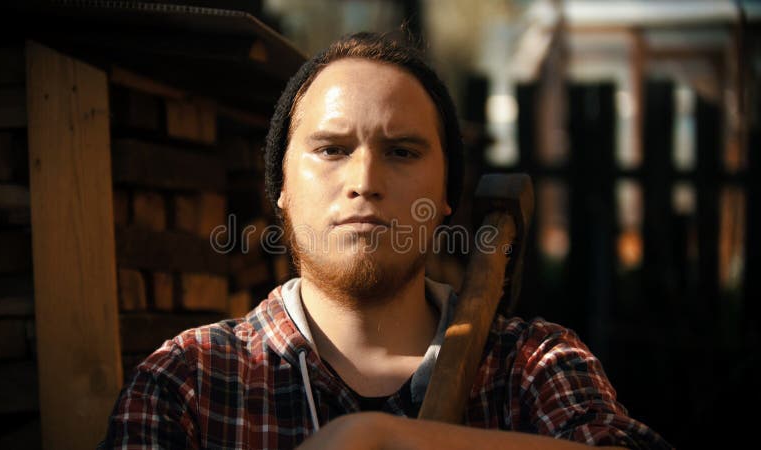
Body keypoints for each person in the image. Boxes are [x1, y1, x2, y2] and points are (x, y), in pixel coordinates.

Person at [102, 32, 671, 449]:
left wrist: (379, 440)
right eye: (331, 149)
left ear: (447, 193)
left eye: (401, 151)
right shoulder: (191, 381)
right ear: (280, 189)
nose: (365, 182)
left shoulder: (529, 365)